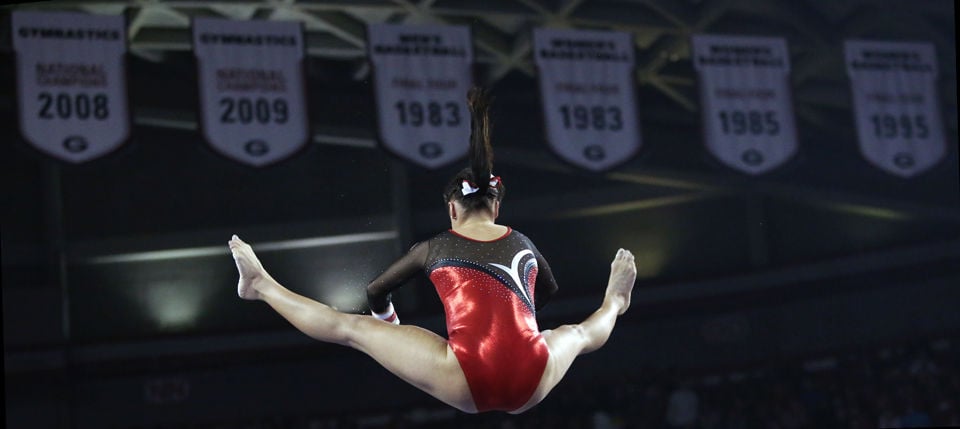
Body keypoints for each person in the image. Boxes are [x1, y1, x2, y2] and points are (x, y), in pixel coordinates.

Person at [228, 88, 637, 414]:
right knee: (577, 334)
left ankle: (261, 286)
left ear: (451, 209)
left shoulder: (436, 246)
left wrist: (389, 326)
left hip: (463, 374)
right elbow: (546, 293)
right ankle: (616, 302)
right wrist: (515, 327)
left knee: (349, 330)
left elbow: (374, 290)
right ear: (496, 207)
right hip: (534, 377)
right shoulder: (525, 245)